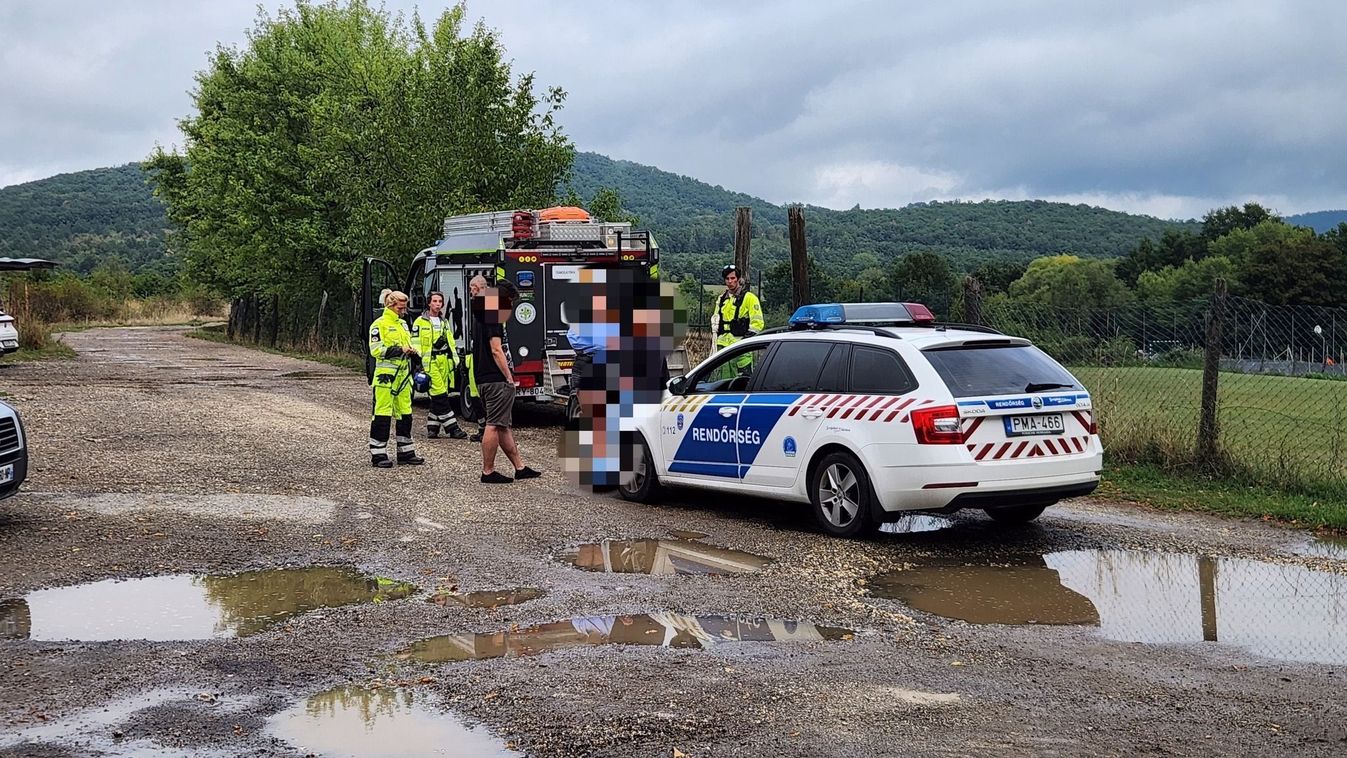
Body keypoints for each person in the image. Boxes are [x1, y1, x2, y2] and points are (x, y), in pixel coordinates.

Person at [469, 276, 541, 484]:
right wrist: (509, 376)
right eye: (510, 301)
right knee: (493, 424)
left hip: (484, 377)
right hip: (495, 378)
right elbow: (496, 350)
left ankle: (520, 467)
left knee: (503, 425)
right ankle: (488, 471)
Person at [367, 289, 424, 467]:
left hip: (404, 378)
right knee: (382, 414)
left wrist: (415, 353)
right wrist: (399, 350)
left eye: (404, 307)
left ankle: (406, 452)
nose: (404, 310)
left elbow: (412, 344)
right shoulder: (379, 325)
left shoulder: (403, 324)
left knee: (405, 414)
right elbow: (376, 350)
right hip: (385, 378)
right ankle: (378, 455)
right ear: (391, 305)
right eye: (401, 307)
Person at [412, 292, 469, 439]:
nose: (437, 304)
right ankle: (452, 428)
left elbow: (450, 342)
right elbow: (415, 344)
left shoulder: (444, 322)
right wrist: (419, 363)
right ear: (429, 303)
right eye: (435, 301)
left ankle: (433, 428)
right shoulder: (420, 322)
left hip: (444, 362)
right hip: (429, 363)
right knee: (440, 395)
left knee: (439, 394)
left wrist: (455, 361)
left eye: (440, 301)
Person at [714, 264, 764, 372]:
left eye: (733, 278)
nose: (730, 281)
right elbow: (715, 321)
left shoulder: (749, 298)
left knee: (743, 381)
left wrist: (745, 341)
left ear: (738, 279)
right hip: (723, 346)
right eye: (727, 279)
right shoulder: (721, 299)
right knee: (724, 382)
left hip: (741, 347)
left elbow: (758, 323)